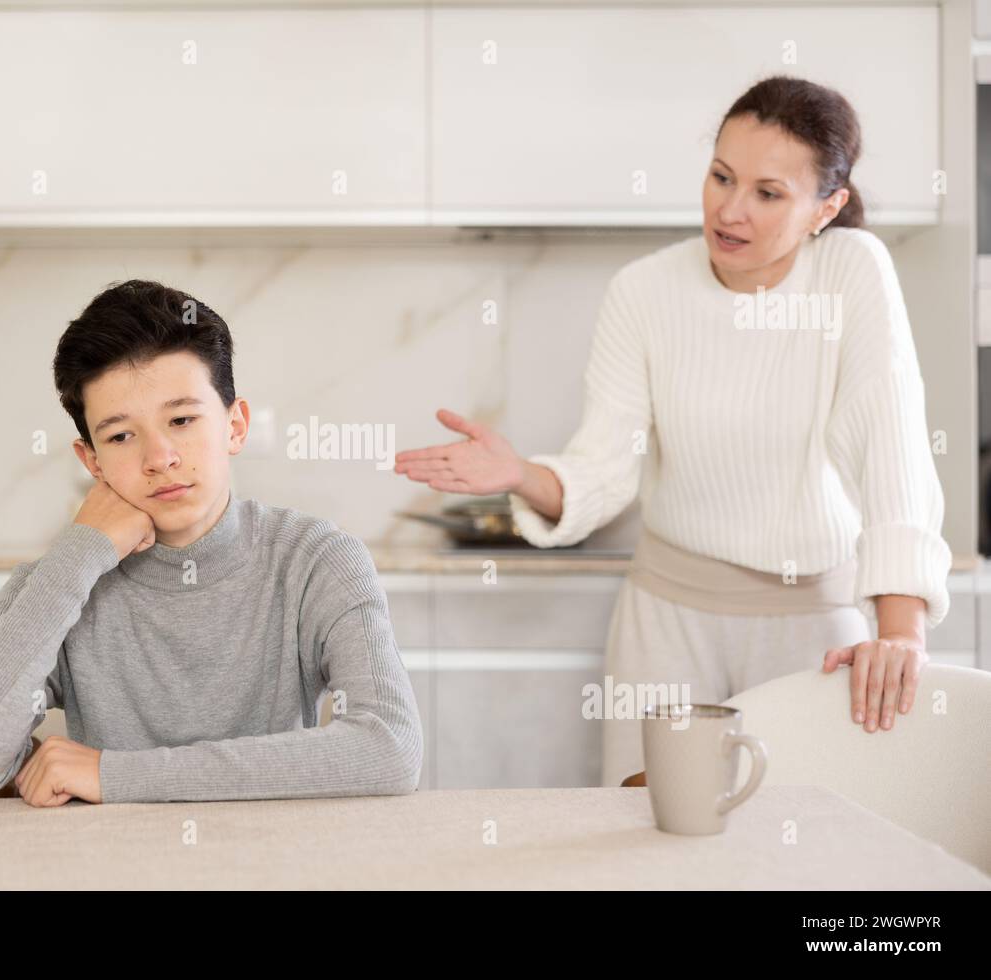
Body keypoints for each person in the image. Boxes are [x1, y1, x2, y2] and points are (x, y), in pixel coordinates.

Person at [393, 76, 951, 787]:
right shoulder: (644, 290)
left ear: (827, 208)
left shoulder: (853, 272)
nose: (729, 209)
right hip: (667, 624)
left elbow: (893, 445)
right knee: (647, 844)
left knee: (806, 848)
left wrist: (900, 632)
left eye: (767, 193)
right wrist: (521, 476)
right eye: (721, 176)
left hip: (814, 623)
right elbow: (605, 464)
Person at [0, 279, 423, 805]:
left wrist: (113, 776)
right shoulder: (56, 583)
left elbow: (388, 750)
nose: (159, 457)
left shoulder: (317, 560)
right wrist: (78, 555)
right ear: (92, 462)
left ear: (235, 425)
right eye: (120, 436)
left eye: (181, 420)